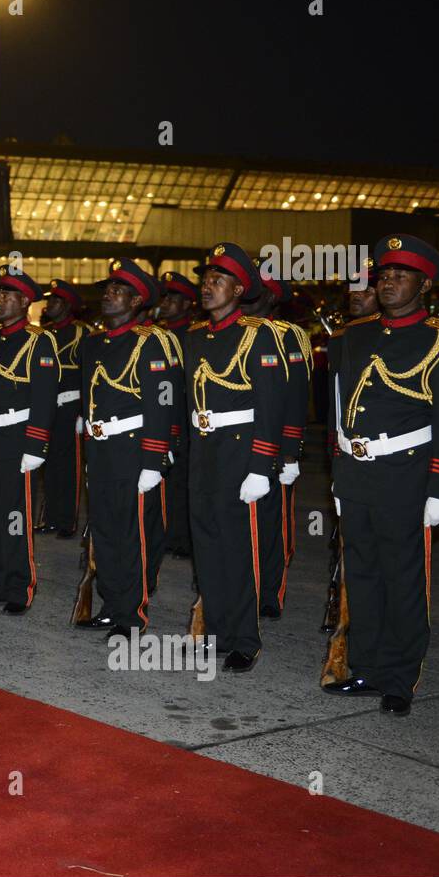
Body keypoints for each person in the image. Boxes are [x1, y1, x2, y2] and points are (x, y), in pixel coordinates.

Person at [326, 234, 439, 715]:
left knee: (403, 579)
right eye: (383, 274)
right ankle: (365, 665)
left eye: (400, 274)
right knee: (362, 575)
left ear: (424, 283)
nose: (388, 281)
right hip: (358, 471)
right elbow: (339, 408)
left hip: (406, 474)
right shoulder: (356, 334)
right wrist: (339, 471)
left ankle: (398, 679)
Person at [182, 242, 288, 672]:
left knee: (240, 550)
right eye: (206, 280)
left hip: (241, 452)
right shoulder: (193, 337)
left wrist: (262, 465)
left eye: (218, 280)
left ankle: (245, 638)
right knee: (206, 545)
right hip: (203, 449)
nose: (208, 287)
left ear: (240, 288)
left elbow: (271, 404)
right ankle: (216, 631)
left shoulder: (261, 335)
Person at [75, 260, 178, 635]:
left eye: (117, 291)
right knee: (104, 531)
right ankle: (111, 602)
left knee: (133, 535)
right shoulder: (93, 344)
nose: (107, 295)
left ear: (137, 301)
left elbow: (162, 403)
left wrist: (154, 458)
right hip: (101, 449)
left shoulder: (154, 342)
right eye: (106, 289)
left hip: (134, 451)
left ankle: (132, 614)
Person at [0, 265, 59, 614]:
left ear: (24, 301)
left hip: (16, 440)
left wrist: (36, 446)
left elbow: (44, 396)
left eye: (7, 295)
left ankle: (19, 588)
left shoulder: (39, 341)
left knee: (15, 518)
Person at [242, 271, 312, 621]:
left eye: (257, 293)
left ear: (270, 298)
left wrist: (290, 449)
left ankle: (270, 591)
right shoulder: (228, 331)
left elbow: (296, 395)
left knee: (273, 522)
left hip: (272, 444)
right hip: (233, 443)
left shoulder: (288, 335)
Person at [37, 279, 87, 537]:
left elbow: (89, 375)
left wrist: (83, 411)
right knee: (50, 466)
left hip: (70, 406)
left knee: (69, 468)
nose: (49, 305)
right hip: (48, 407)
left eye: (55, 300)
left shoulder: (82, 333)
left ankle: (67, 520)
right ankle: (52, 517)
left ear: (67, 305)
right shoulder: (44, 333)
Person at [157, 271, 197, 558]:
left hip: (185, 419)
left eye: (174, 298)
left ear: (187, 305)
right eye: (166, 297)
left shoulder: (193, 336)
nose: (167, 303)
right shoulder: (158, 336)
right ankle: (167, 532)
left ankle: (181, 537)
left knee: (183, 480)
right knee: (163, 478)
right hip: (162, 417)